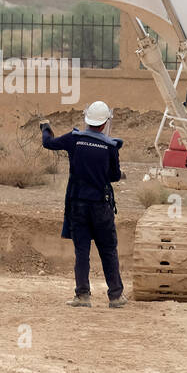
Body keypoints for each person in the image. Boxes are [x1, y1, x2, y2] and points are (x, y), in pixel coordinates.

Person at [41, 100, 127, 308]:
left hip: (77, 205)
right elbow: (114, 175)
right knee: (108, 250)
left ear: (87, 119)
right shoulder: (110, 146)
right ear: (106, 122)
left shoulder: (74, 139)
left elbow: (48, 143)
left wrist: (45, 129)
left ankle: (82, 295)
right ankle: (115, 296)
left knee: (82, 251)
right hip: (101, 207)